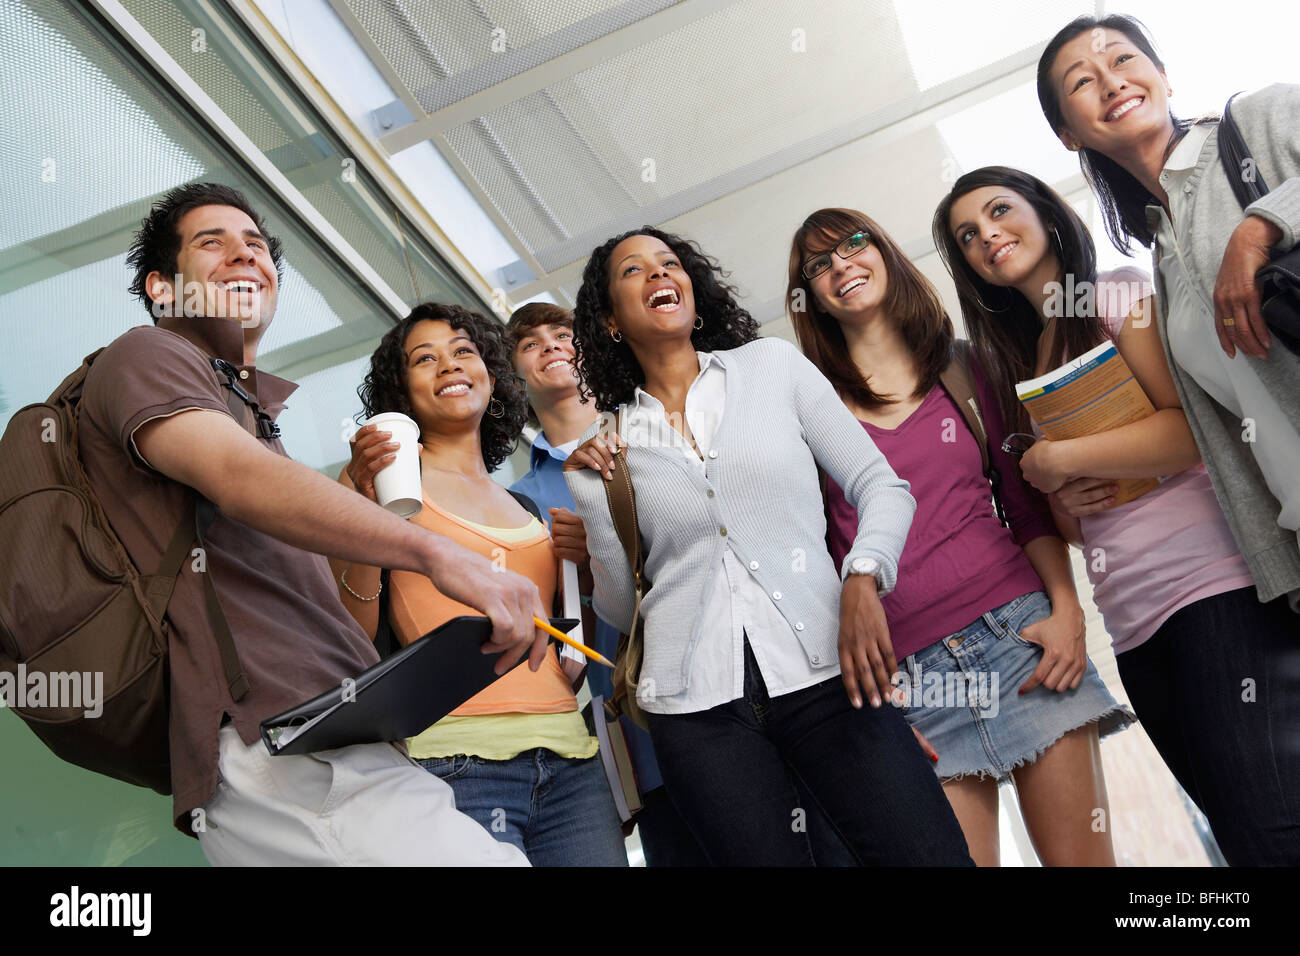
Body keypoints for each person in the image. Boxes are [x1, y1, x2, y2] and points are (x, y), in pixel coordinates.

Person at [79, 181, 543, 865]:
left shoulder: (252, 419)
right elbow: (238, 477)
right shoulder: (148, 355)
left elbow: (333, 618)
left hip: (326, 741)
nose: (246, 256)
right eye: (214, 243)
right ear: (162, 287)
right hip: (287, 747)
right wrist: (437, 554)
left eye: (256, 246)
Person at [562, 226, 972, 866]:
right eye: (633, 271)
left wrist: (863, 576)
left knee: (927, 855)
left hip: (832, 676)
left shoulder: (772, 368)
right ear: (611, 320)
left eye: (669, 263)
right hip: (696, 716)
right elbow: (622, 607)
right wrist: (592, 495)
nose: (658, 275)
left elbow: (880, 484)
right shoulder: (609, 443)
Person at [934, 163, 1300, 864]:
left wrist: (1063, 463)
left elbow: (1190, 432)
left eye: (1001, 211)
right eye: (968, 236)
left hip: (1213, 588)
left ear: (1046, 213)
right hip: (1132, 625)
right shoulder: (1018, 360)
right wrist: (1064, 498)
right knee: (1237, 830)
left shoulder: (1119, 294)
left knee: (1271, 830)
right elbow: (1078, 527)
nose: (989, 236)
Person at [787, 207, 1130, 866]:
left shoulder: (966, 370)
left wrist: (1067, 613)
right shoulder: (809, 410)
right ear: (812, 298)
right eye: (819, 265)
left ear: (885, 250)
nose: (840, 267)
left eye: (853, 245)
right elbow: (817, 564)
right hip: (908, 686)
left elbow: (1025, 507)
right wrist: (873, 709)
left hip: (1019, 644)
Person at [333, 301, 627, 866]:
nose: (449, 365)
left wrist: (584, 573)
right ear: (401, 391)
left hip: (570, 761)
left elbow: (564, 652)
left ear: (491, 376)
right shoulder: (386, 478)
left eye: (463, 352)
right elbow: (351, 632)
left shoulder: (524, 503)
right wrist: (361, 512)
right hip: (451, 766)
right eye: (425, 359)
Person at [1035, 14, 1300, 611]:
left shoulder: (1259, 120)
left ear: (1164, 77)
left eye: (1124, 61)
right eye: (1082, 82)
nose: (1111, 83)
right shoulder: (1161, 255)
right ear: (1069, 135)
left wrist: (1260, 226)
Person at [505, 302, 708, 866]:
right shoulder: (517, 501)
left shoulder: (660, 430)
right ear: (515, 377)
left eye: (563, 333)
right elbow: (559, 639)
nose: (550, 346)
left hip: (724, 691)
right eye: (530, 343)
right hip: (639, 735)